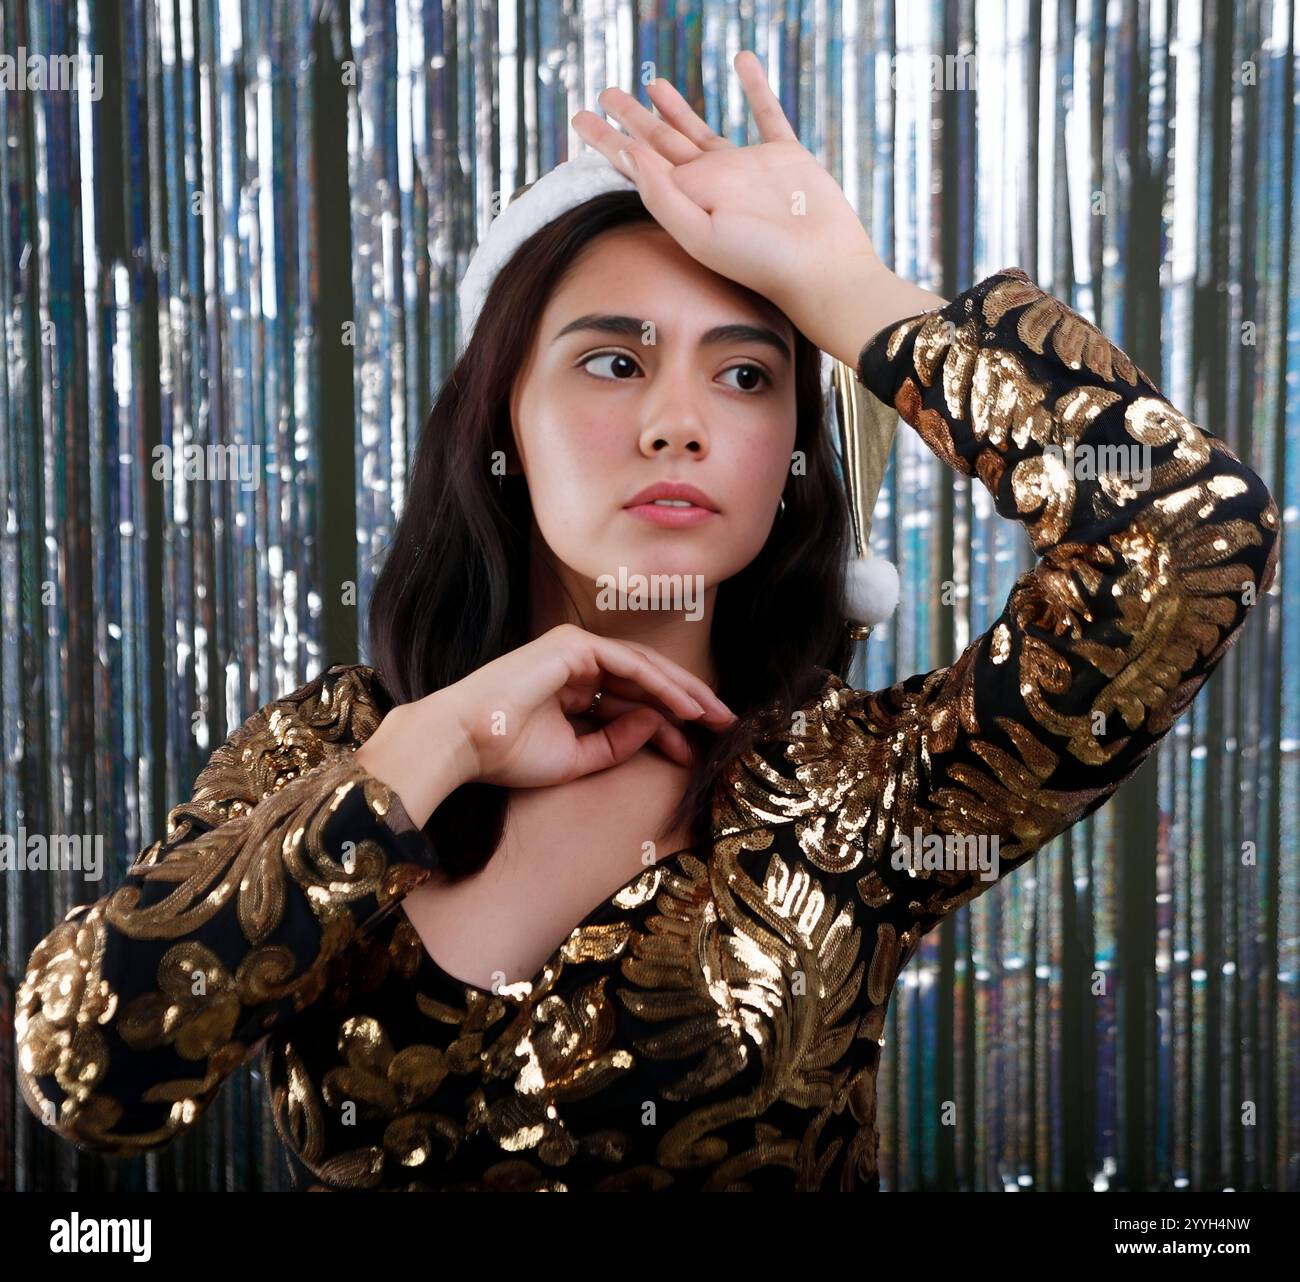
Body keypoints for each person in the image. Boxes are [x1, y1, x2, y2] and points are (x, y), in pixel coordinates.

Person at [15, 52, 1280, 1192]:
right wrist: (430, 752)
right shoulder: (335, 744)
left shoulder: (868, 786)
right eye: (613, 361)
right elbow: (85, 1071)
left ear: (793, 449)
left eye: (745, 375)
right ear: (499, 416)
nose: (678, 419)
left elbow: (1191, 532)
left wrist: (850, 292)